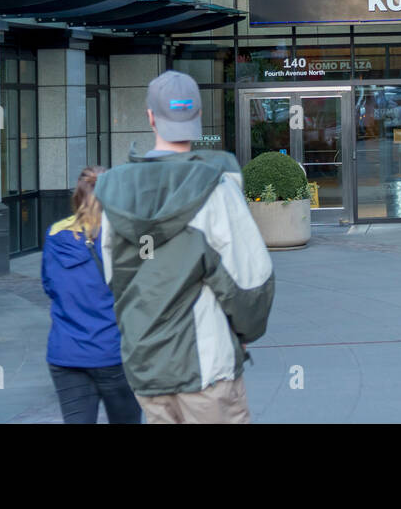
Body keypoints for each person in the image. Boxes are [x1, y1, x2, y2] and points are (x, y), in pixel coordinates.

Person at [95, 71, 274, 424]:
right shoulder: (214, 187)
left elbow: (115, 279)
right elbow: (250, 282)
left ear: (150, 117)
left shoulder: (113, 192)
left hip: (146, 369)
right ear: (197, 119)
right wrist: (244, 334)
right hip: (205, 371)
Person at [41, 166, 142, 424]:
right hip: (113, 352)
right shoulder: (128, 234)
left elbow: (50, 286)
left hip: (66, 353)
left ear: (77, 194)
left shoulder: (55, 233)